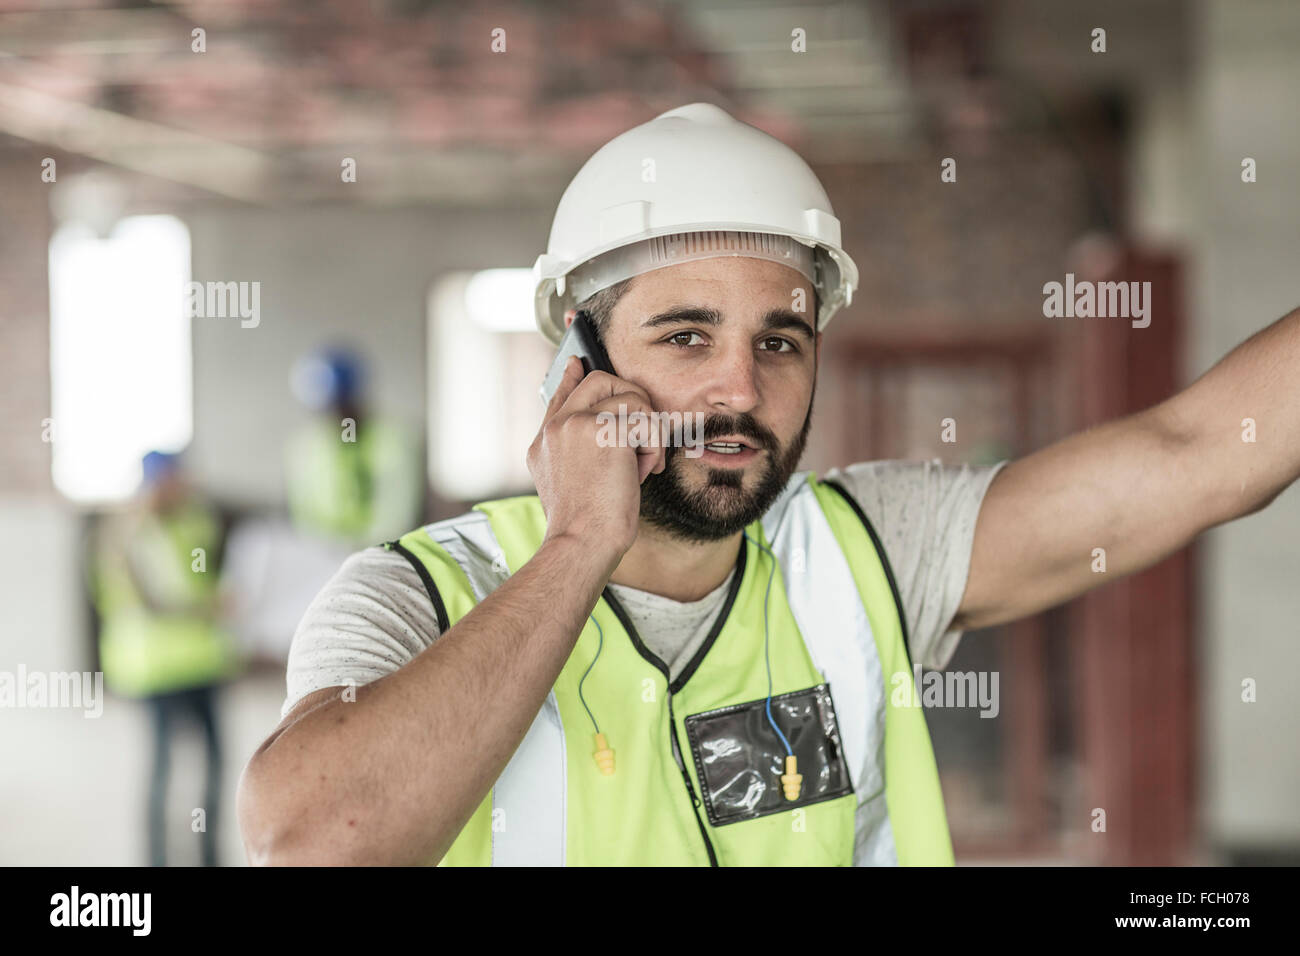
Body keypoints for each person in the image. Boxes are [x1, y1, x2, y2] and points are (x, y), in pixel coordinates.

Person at [239, 102, 1300, 866]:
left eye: (780, 340)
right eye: (685, 333)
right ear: (579, 364)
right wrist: (576, 547)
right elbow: (321, 840)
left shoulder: (867, 550)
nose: (740, 386)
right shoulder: (418, 596)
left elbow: (1196, 453)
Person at [92, 450, 240, 866]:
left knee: (214, 764)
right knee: (163, 770)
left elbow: (213, 577)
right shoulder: (126, 532)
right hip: (154, 669)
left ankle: (208, 856)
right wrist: (207, 611)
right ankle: (156, 860)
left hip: (203, 662)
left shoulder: (197, 519)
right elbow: (145, 601)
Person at [284, 346, 422, 548]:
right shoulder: (304, 448)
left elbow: (396, 516)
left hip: (382, 554)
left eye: (341, 408)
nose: (335, 418)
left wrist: (362, 551)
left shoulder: (395, 441)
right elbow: (304, 520)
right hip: (322, 558)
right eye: (327, 410)